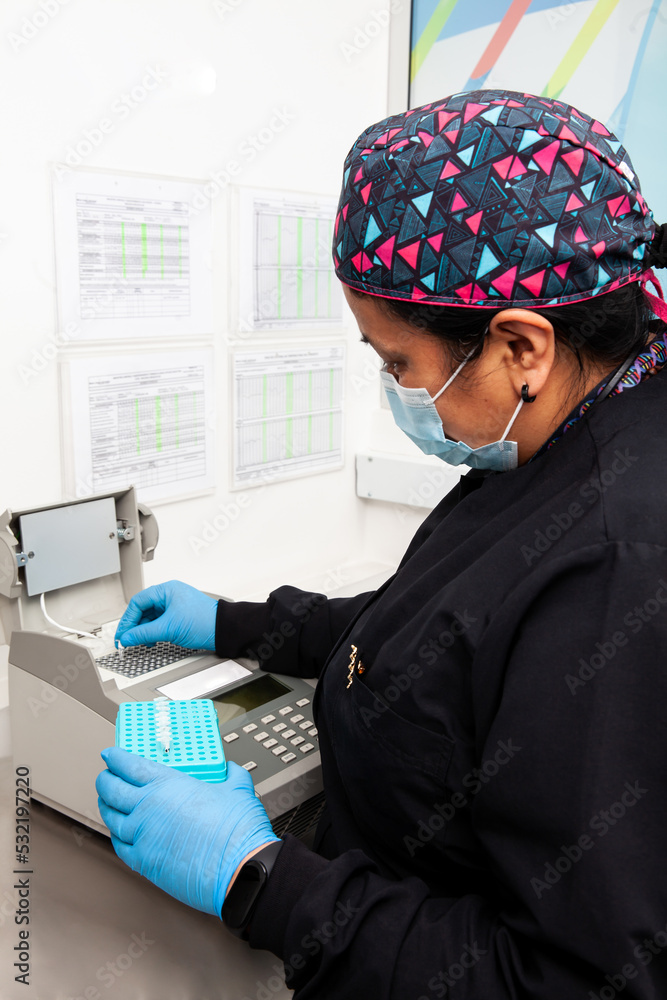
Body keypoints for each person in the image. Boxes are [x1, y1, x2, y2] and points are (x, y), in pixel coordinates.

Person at [96, 90, 667, 998]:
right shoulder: (571, 426)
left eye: (396, 363)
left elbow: (568, 980)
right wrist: (240, 623)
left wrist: (262, 881)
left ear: (521, 345)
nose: (394, 388)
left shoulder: (613, 563)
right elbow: (442, 626)